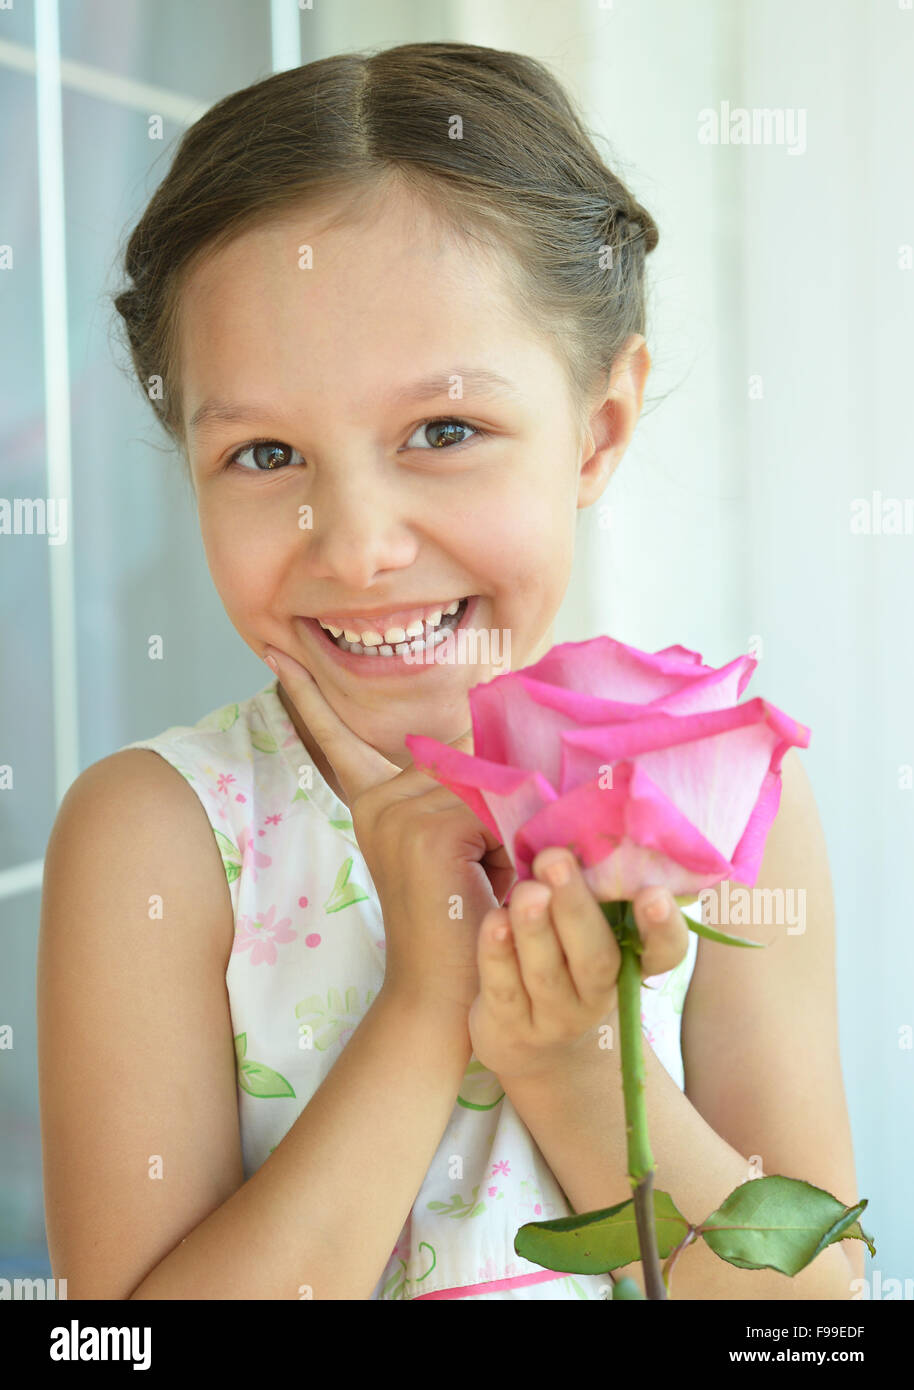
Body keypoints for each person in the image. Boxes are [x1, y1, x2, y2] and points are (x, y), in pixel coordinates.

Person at [37, 41, 862, 1300]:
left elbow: (809, 1323)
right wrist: (425, 1006)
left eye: (444, 431)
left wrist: (575, 1065)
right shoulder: (155, 840)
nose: (358, 548)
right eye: (264, 454)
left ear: (598, 430)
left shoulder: (717, 795)